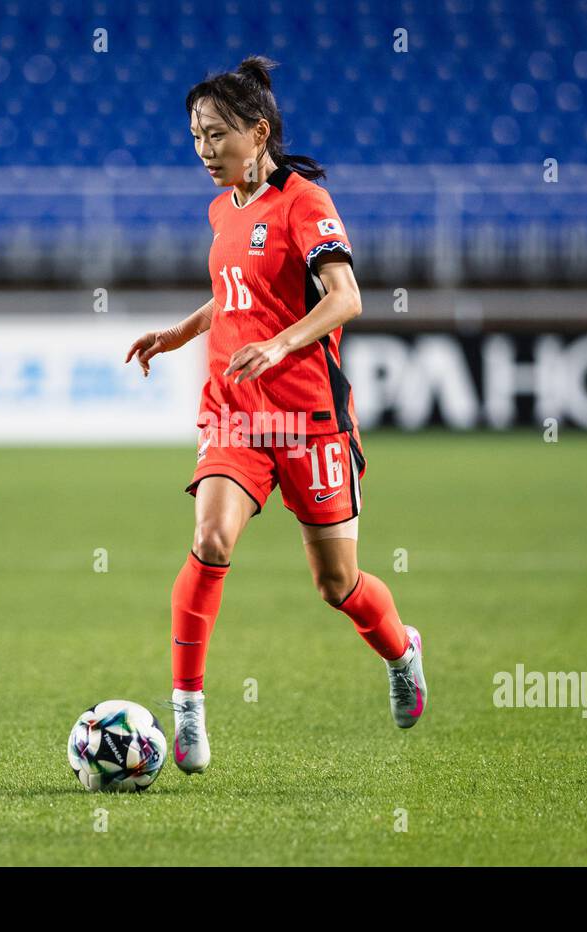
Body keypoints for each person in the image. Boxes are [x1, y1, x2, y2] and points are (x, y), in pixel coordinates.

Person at [125, 56, 427, 774]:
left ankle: (401, 650)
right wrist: (182, 332)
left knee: (337, 586)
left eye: (218, 135)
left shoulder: (304, 202)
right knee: (212, 538)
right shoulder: (220, 207)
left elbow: (345, 297)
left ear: (258, 132)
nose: (204, 150)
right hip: (234, 415)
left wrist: (282, 343)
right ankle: (188, 707)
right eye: (195, 135)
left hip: (310, 420)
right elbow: (237, 292)